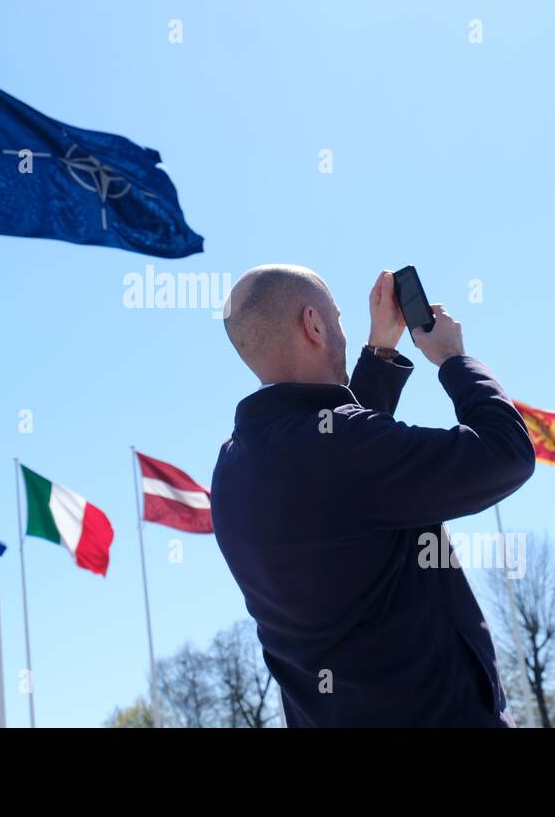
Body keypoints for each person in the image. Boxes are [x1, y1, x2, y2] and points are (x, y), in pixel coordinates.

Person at [211, 265, 536, 727]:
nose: (342, 330)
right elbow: (507, 453)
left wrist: (380, 353)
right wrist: (454, 360)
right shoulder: (341, 450)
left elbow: (341, 479)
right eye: (338, 319)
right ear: (314, 325)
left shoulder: (232, 468)